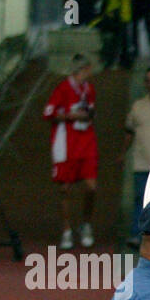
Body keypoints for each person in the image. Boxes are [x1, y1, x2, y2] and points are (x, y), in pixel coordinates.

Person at [43, 53, 99, 250]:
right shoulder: (63, 89)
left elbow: (91, 110)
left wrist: (87, 114)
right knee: (65, 188)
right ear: (80, 70)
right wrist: (70, 115)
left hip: (86, 141)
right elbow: (48, 113)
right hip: (67, 144)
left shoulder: (89, 89)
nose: (89, 73)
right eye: (87, 69)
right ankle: (66, 230)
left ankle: (86, 224)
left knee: (91, 187)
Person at [122, 65, 150, 248]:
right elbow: (129, 132)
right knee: (140, 199)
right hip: (142, 163)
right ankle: (137, 235)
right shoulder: (138, 107)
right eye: (148, 81)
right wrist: (122, 153)